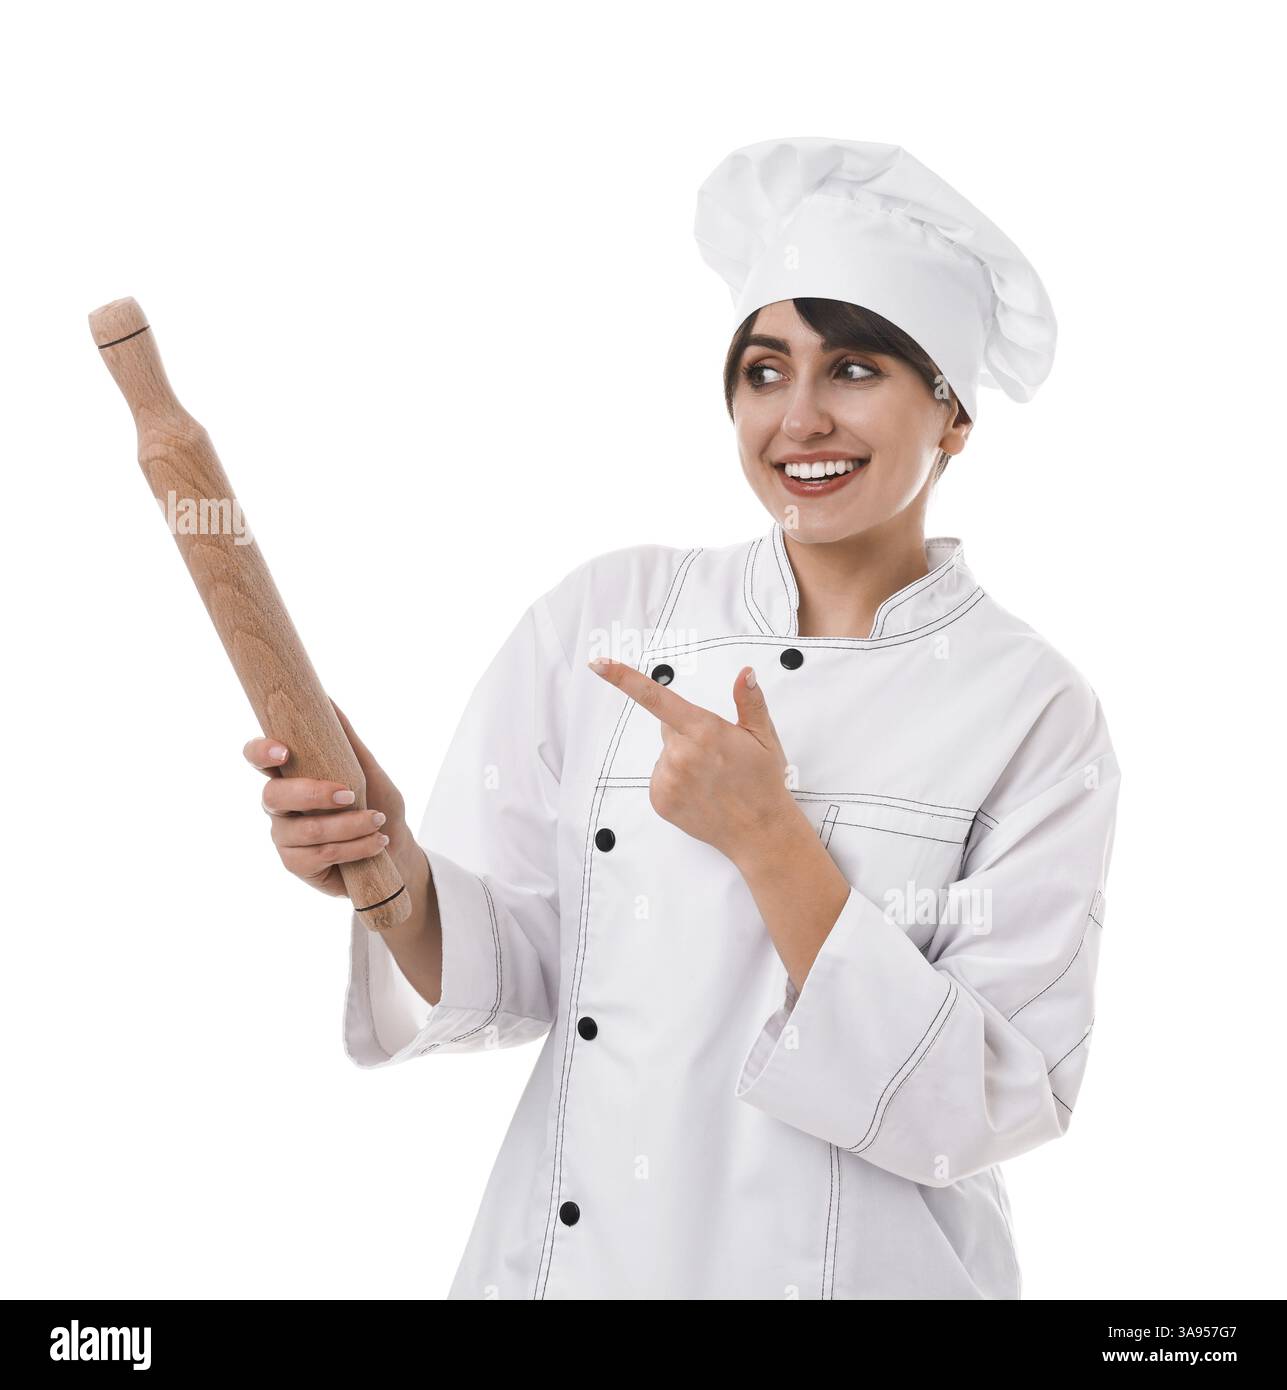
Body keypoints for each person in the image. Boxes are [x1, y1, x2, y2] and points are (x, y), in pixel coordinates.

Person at [244, 137, 1121, 1299]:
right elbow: (514, 974)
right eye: (764, 372)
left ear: (953, 416)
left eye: (853, 369)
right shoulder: (606, 617)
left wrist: (770, 841)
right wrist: (390, 869)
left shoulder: (1029, 706)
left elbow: (994, 1100)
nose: (798, 418)